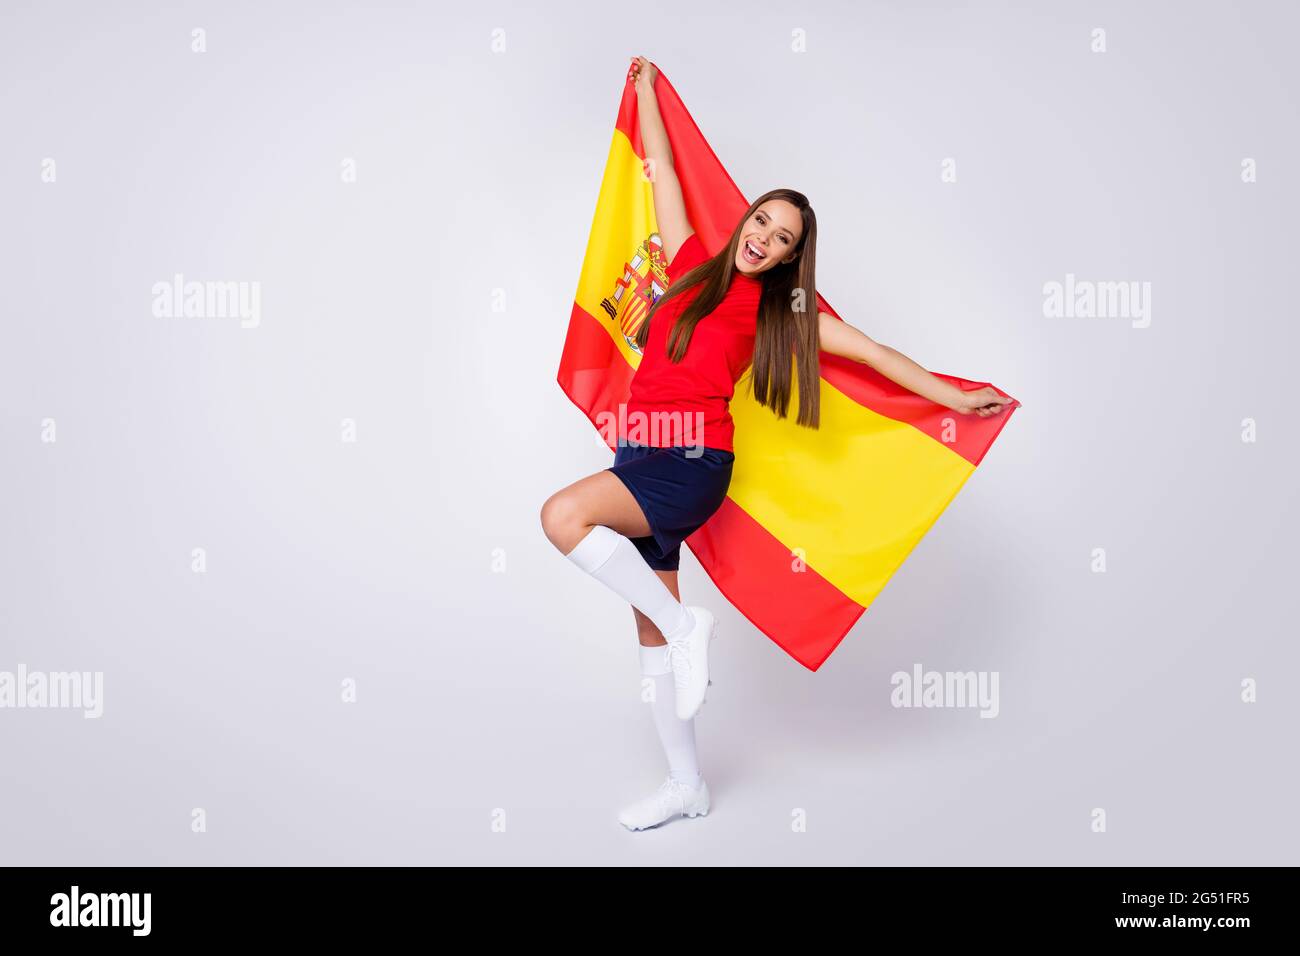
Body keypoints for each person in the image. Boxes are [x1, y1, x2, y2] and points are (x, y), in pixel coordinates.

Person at [540, 56, 1013, 831]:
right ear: (747, 221)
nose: (765, 237)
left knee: (562, 517)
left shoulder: (779, 317)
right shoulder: (689, 262)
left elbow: (876, 354)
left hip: (691, 465)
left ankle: (692, 629)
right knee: (652, 642)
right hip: (641, 453)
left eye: (783, 237)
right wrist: (649, 93)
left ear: (793, 255)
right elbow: (659, 171)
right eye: (762, 220)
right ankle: (687, 785)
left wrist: (955, 396)